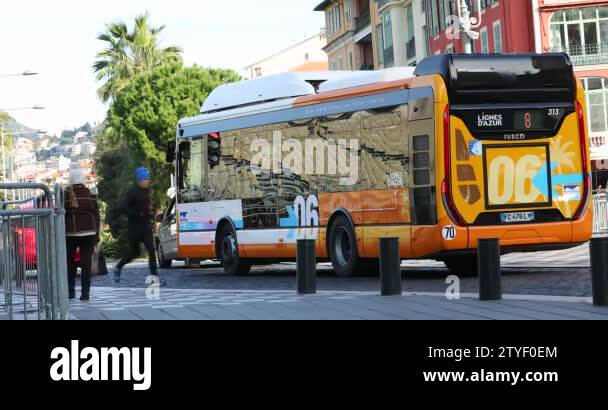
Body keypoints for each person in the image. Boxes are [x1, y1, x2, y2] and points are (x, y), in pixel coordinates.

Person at [113, 167, 165, 285]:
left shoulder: (147, 191)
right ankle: (118, 267)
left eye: (148, 179)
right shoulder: (132, 192)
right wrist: (137, 213)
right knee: (134, 253)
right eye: (145, 179)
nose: (147, 181)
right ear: (139, 180)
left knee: (152, 251)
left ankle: (154, 278)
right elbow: (123, 208)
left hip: (145, 227)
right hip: (134, 228)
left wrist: (150, 214)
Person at [64, 166, 100, 301]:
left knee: (70, 263)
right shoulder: (90, 195)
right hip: (89, 232)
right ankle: (85, 294)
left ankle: (70, 291)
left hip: (70, 233)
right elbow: (97, 216)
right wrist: (97, 236)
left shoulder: (65, 195)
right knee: (86, 265)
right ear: (83, 179)